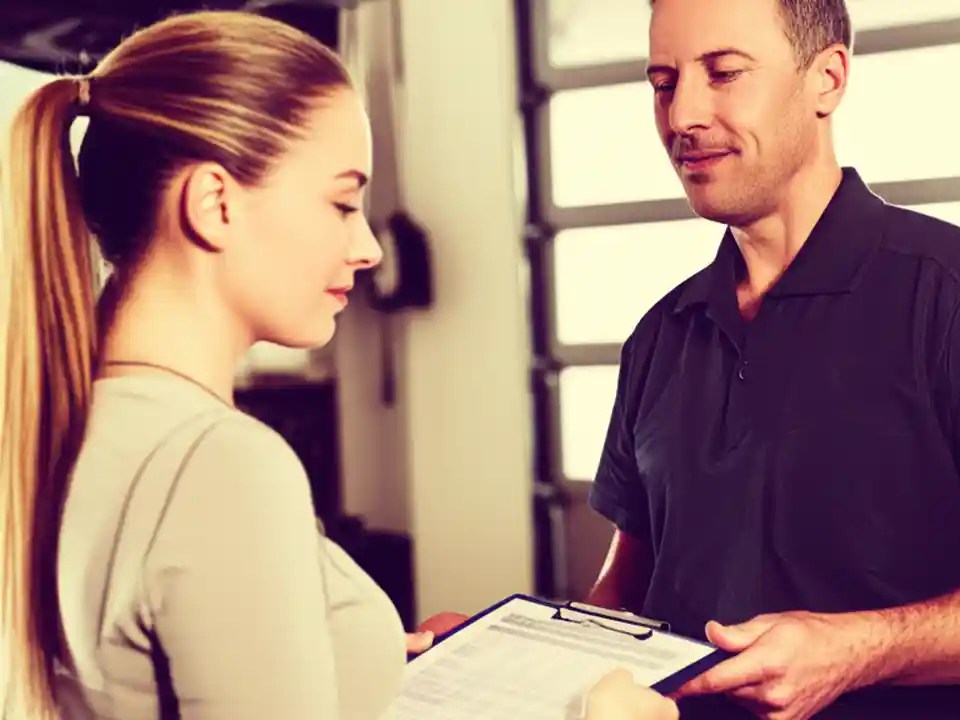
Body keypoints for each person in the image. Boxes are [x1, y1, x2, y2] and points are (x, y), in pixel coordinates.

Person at [0, 11, 674, 720]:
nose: (368, 247)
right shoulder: (221, 465)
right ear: (215, 205)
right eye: (342, 201)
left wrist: (365, 662)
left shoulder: (58, 424)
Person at [582, 0, 960, 718]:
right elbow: (623, 596)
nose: (682, 114)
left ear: (828, 79)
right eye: (663, 82)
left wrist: (857, 650)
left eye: (724, 73)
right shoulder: (660, 337)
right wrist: (499, 656)